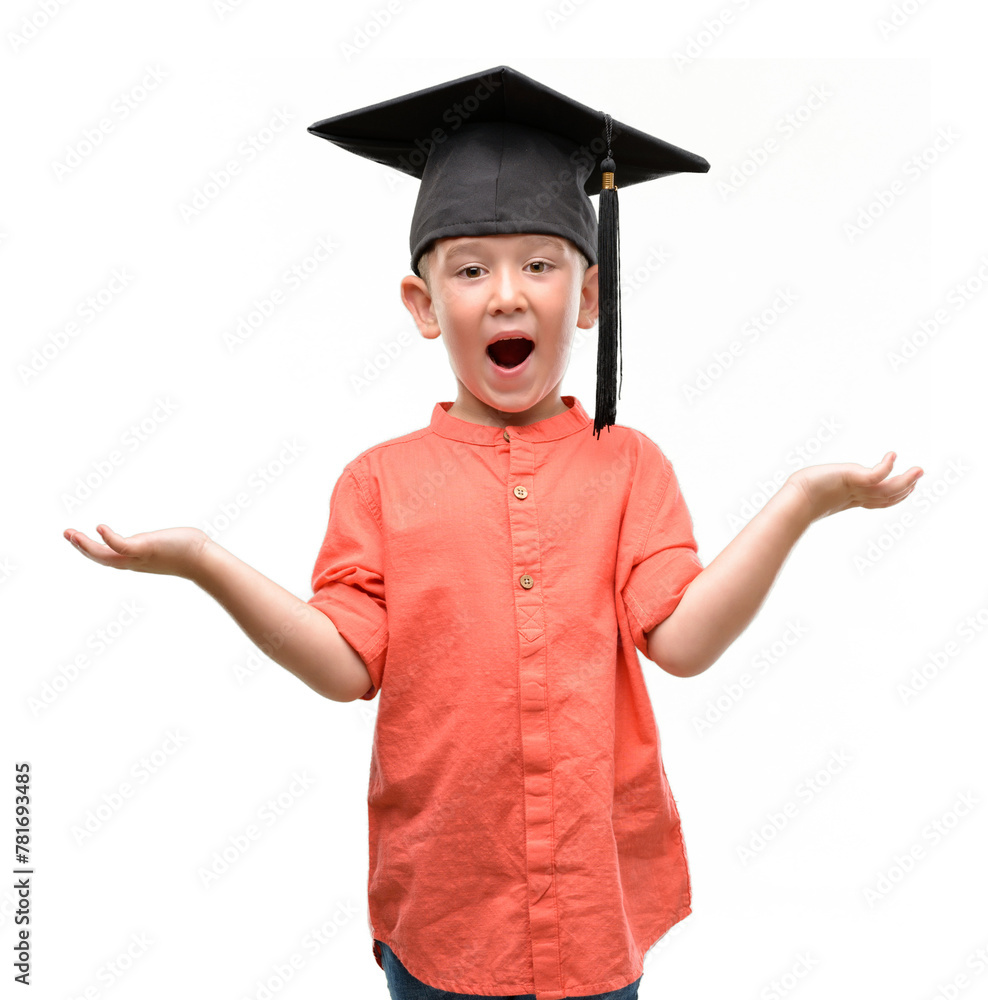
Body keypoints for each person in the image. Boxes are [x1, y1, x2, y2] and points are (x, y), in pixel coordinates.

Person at [63, 65, 923, 1000]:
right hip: (443, 915)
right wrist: (202, 559)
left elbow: (682, 639)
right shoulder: (378, 482)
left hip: (597, 910)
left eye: (540, 264)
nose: (506, 294)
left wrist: (798, 503)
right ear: (424, 305)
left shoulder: (629, 467)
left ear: (589, 299)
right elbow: (344, 665)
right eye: (470, 268)